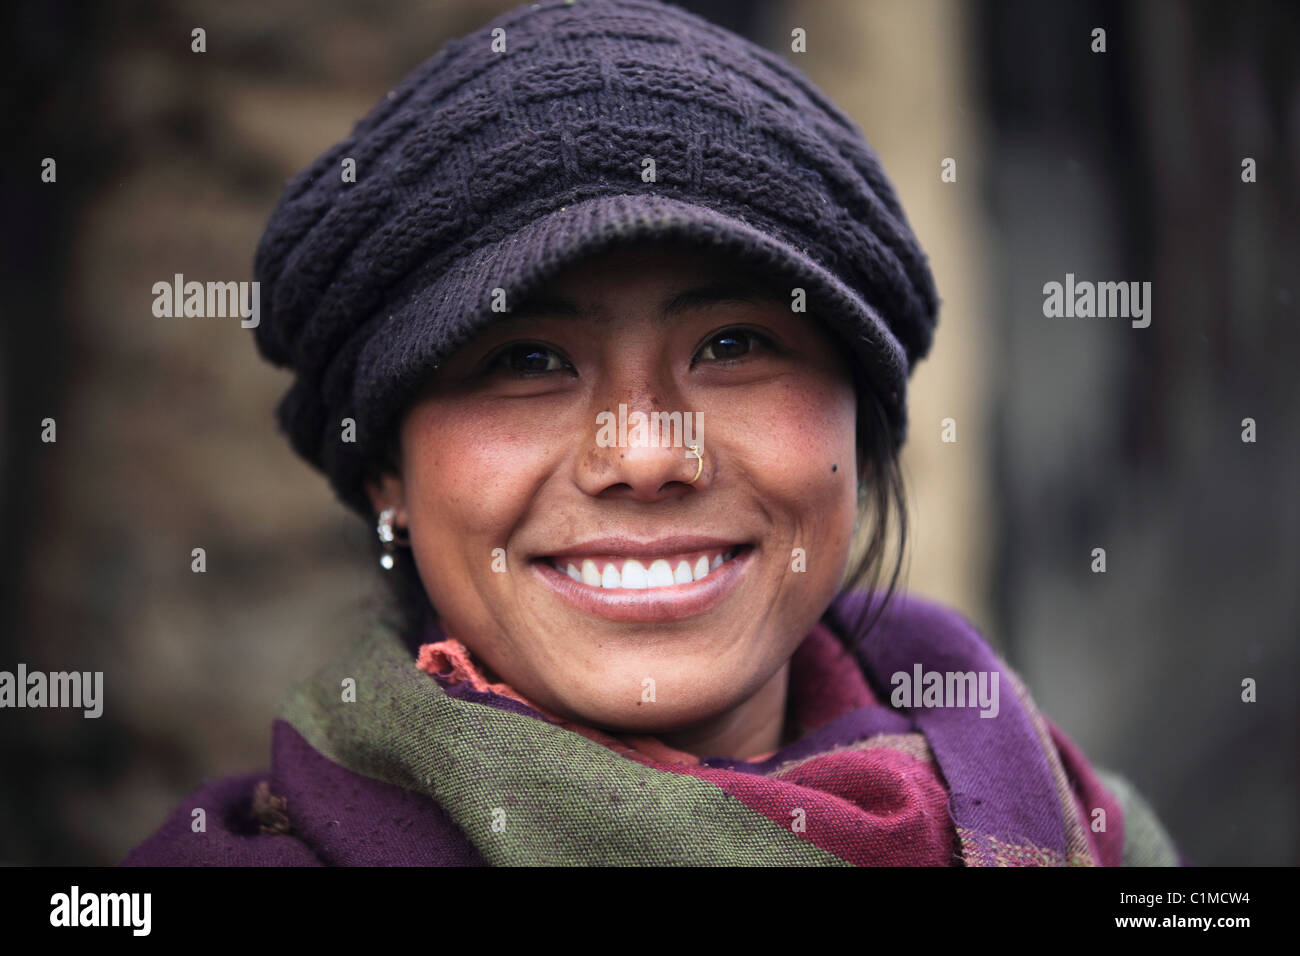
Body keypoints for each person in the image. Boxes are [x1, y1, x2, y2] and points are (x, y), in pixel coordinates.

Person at [121, 0, 1181, 866]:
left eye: (732, 345)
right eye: (526, 360)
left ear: (857, 434)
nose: (646, 455)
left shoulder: (1098, 844)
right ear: (387, 470)